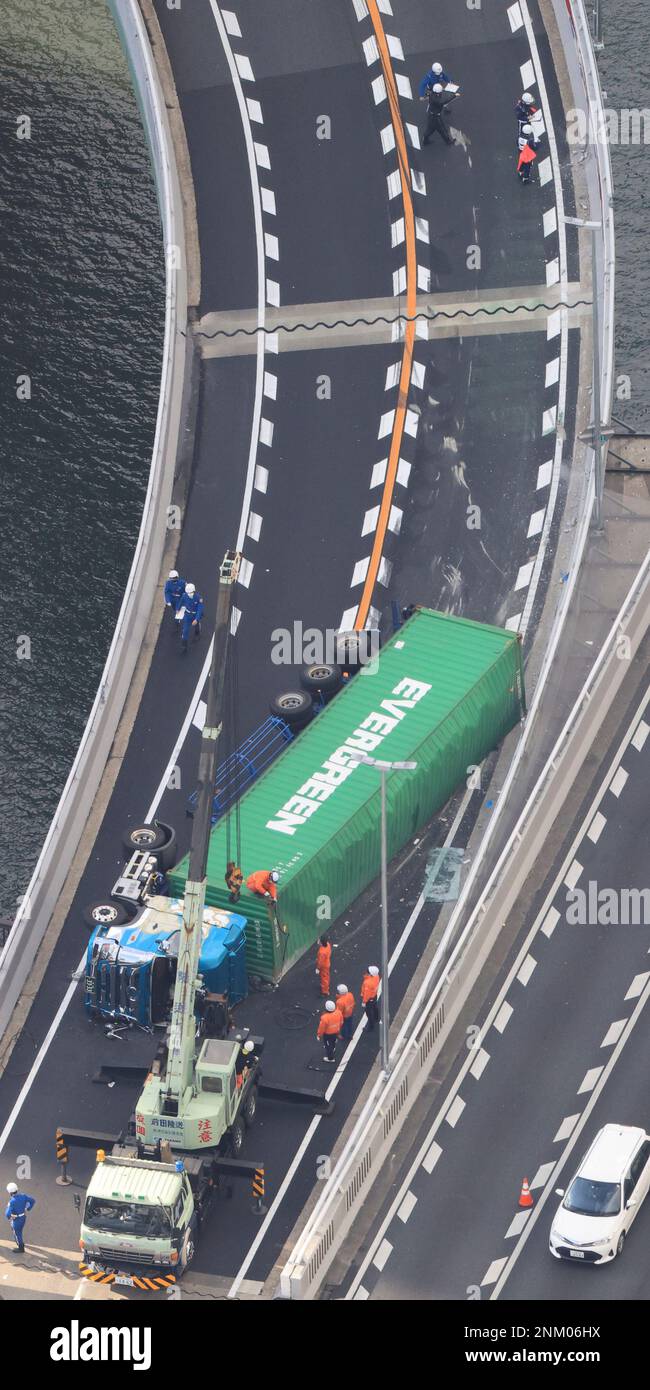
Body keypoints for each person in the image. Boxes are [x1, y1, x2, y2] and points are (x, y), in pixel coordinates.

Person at [5, 1183, 35, 1254]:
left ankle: (21, 1248)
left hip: (16, 1220)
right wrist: (28, 1208)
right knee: (19, 1231)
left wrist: (10, 1216)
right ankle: (20, 1242)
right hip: (23, 1217)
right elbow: (33, 1201)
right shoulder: (23, 1196)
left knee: (17, 1234)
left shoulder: (12, 1202)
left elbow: (7, 1214)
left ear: (10, 1192)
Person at [177, 583, 204, 653]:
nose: (189, 594)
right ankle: (184, 646)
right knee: (185, 630)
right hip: (187, 615)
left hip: (195, 615)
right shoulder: (184, 596)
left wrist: (196, 619)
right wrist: (178, 609)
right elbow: (181, 602)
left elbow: (200, 609)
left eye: (191, 592)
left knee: (196, 625)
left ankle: (197, 634)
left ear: (194, 591)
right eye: (188, 593)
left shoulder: (198, 598)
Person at [360, 965, 380, 1030]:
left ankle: (371, 1027)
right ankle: (376, 1017)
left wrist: (364, 1002)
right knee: (375, 1007)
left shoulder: (368, 983)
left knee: (369, 1013)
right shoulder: (377, 977)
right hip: (374, 996)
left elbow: (366, 994)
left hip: (369, 999)